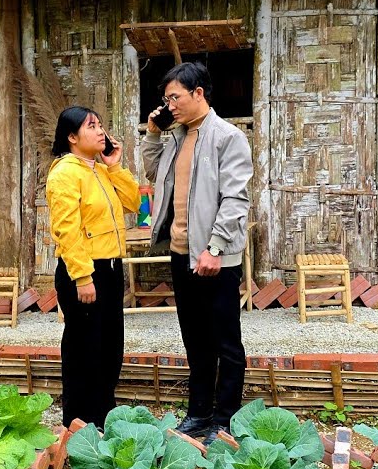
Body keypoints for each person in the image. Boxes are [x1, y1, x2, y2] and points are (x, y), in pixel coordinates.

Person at [143, 62, 252, 445]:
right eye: (166, 99)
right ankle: (199, 413)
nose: (169, 104)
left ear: (199, 93)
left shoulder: (228, 137)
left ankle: (226, 418)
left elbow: (236, 198)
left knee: (225, 340)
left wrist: (215, 247)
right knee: (195, 339)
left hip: (215, 258)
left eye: (175, 97)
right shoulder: (176, 137)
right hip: (182, 253)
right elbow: (156, 174)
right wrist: (154, 135)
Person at [45, 106, 139, 428]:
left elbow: (132, 203)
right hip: (84, 272)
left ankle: (103, 415)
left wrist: (114, 166)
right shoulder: (64, 173)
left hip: (111, 268)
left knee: (110, 347)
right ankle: (78, 420)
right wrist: (83, 276)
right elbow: (66, 229)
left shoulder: (98, 169)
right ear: (72, 137)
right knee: (84, 348)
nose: (101, 131)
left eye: (100, 125)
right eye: (91, 126)